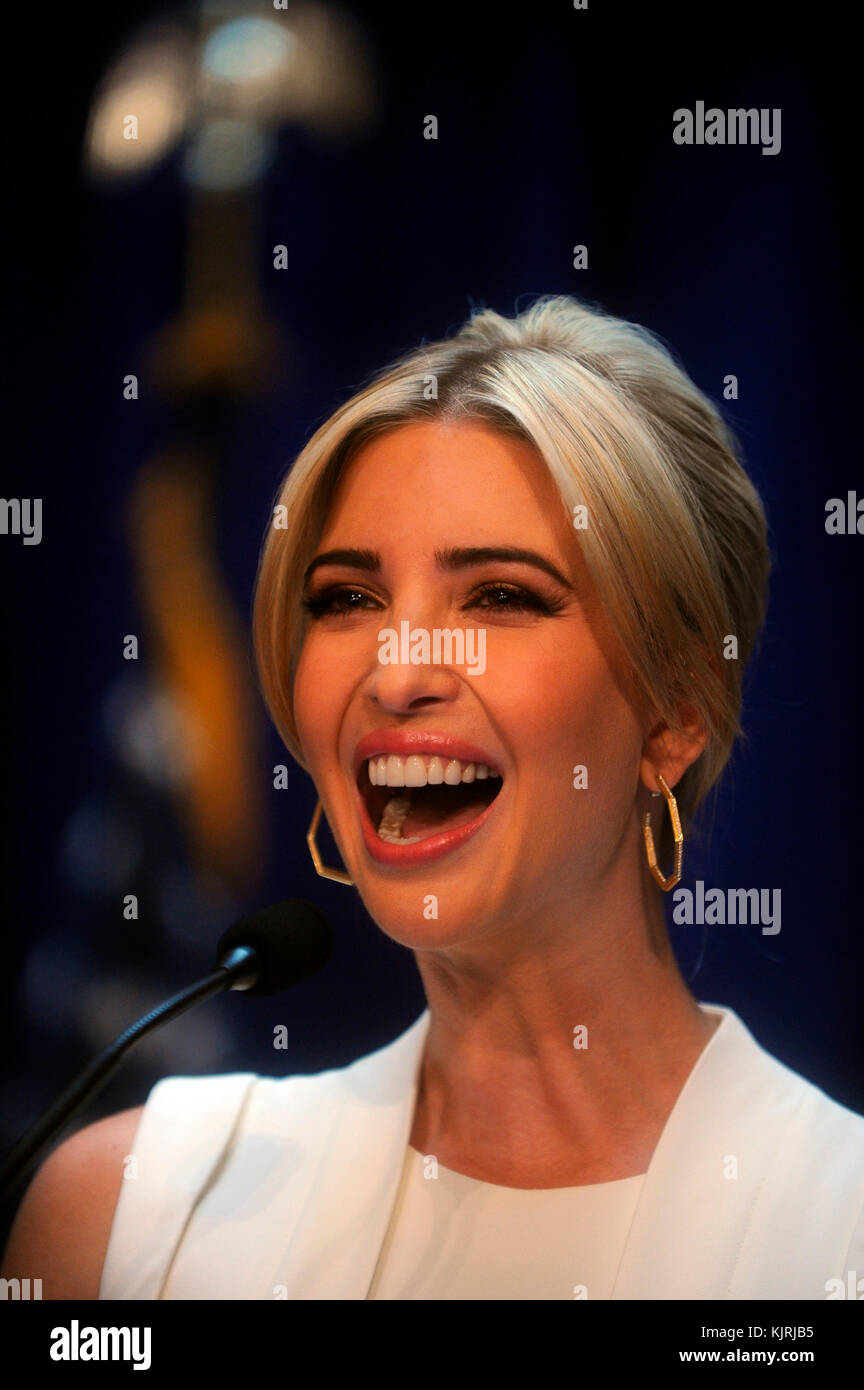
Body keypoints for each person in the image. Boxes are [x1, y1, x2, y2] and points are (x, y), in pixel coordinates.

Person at [4, 295, 863, 1300]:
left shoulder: (834, 1223)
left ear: (674, 712)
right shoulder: (134, 1213)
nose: (398, 669)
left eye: (500, 595)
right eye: (347, 599)